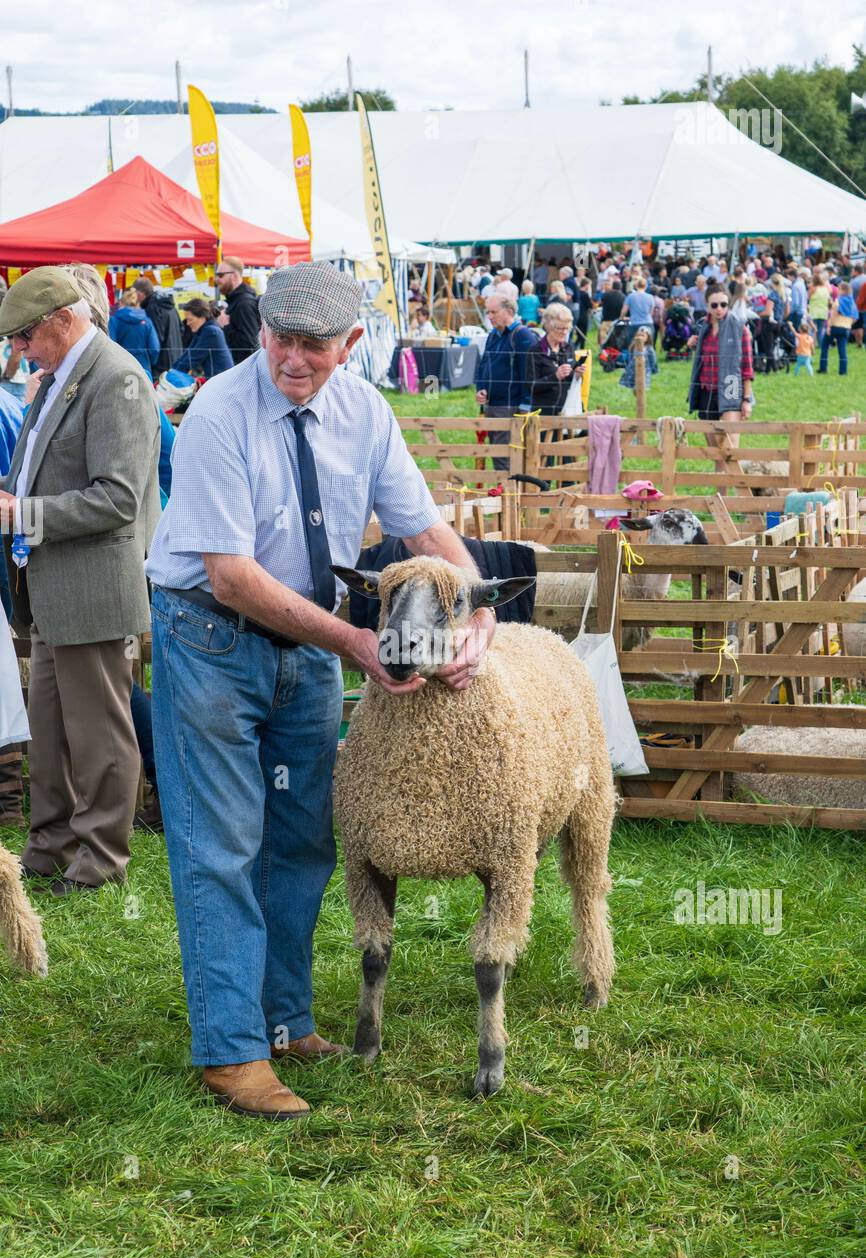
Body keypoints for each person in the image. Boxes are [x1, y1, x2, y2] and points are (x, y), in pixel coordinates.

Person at [145, 261, 498, 1120]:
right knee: (222, 840)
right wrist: (355, 644)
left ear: (352, 345)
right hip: (212, 635)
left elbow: (424, 526)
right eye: (280, 339)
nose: (293, 359)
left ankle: (285, 1018)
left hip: (308, 641)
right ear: (260, 330)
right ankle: (231, 1052)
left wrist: (477, 609)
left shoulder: (366, 412)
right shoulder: (220, 415)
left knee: (304, 836)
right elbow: (228, 576)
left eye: (314, 346)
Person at [0, 266, 160, 893]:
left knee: (98, 732)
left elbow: (118, 499)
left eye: (24, 336)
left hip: (93, 587)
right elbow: (43, 470)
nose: (18, 350)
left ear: (63, 321)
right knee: (51, 727)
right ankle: (51, 842)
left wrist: (20, 513)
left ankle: (99, 861)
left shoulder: (117, 378)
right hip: (55, 585)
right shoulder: (64, 376)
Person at [686, 284, 755, 452]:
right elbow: (707, 354)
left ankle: (732, 478)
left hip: (730, 391)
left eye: (724, 304)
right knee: (714, 452)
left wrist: (746, 400)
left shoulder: (740, 329)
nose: (719, 309)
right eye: (714, 305)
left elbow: (747, 368)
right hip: (705, 392)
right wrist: (693, 344)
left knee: (729, 452)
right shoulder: (703, 328)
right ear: (707, 305)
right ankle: (718, 478)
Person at [474, 293, 537, 471]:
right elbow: (483, 365)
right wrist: (481, 388)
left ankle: (508, 495)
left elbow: (528, 372)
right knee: (497, 453)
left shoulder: (522, 335)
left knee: (504, 458)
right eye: (488, 312)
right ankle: (503, 494)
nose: (489, 316)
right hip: (492, 405)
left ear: (508, 311)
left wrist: (525, 404)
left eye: (493, 312)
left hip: (510, 406)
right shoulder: (493, 335)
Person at [526, 302, 582, 415]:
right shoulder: (536, 351)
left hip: (567, 411)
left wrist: (577, 374)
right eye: (560, 328)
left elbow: (571, 380)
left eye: (567, 328)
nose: (564, 332)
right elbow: (531, 386)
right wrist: (555, 377)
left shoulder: (567, 348)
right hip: (544, 414)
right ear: (548, 326)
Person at [214, 257, 261, 364]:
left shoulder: (244, 304)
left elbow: (250, 346)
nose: (217, 280)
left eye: (221, 275)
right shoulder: (235, 301)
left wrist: (226, 326)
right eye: (217, 275)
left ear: (234, 276)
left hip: (245, 372)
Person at [172, 298, 234, 379]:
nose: (187, 323)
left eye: (190, 319)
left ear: (202, 317)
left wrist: (172, 375)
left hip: (223, 382)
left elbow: (193, 358)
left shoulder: (211, 332)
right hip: (217, 380)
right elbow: (188, 354)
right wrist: (172, 370)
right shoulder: (203, 330)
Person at [133, 277, 184, 375]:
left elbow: (156, 338)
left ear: (140, 294)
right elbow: (181, 329)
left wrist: (152, 361)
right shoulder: (170, 305)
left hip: (161, 364)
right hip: (176, 358)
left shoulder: (153, 307)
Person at [108, 288, 161, 377]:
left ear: (121, 303)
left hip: (121, 367)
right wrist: (151, 362)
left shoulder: (114, 320)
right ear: (137, 304)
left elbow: (111, 345)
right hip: (143, 367)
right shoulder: (147, 321)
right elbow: (155, 349)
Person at [819, 281, 856, 376]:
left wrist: (828, 326)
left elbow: (833, 315)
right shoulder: (852, 302)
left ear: (843, 290)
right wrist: (849, 324)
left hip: (835, 327)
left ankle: (823, 368)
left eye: (839, 289)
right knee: (842, 350)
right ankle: (843, 371)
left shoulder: (838, 301)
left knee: (824, 345)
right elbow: (854, 317)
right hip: (845, 328)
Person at [623, 276, 655, 345]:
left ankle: (633, 355)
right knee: (648, 344)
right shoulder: (650, 297)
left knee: (632, 344)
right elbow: (651, 312)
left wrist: (622, 317)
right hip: (648, 323)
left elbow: (624, 310)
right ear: (646, 286)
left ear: (636, 285)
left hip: (635, 323)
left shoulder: (630, 296)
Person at [808, 272, 832, 349]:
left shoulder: (813, 288)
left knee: (812, 329)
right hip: (823, 311)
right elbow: (829, 301)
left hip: (813, 311)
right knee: (820, 330)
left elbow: (808, 298)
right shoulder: (826, 289)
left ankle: (811, 346)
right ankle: (821, 345)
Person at [599, 277, 625, 344]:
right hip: (617, 321)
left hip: (606, 320)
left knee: (603, 338)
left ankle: (602, 352)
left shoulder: (606, 295)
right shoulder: (623, 297)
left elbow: (601, 304)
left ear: (612, 286)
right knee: (615, 340)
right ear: (620, 287)